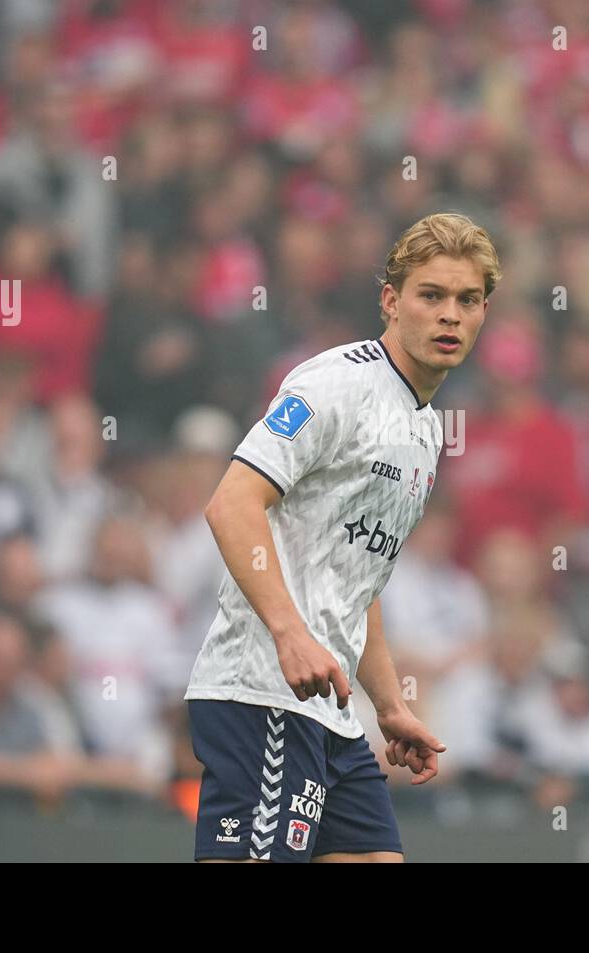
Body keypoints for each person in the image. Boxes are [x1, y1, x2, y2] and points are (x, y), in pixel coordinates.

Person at [185, 212, 500, 862]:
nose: (450, 315)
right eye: (431, 295)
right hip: (264, 694)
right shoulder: (337, 384)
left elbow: (360, 578)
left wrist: (388, 705)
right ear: (391, 301)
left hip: (332, 714)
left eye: (467, 300)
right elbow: (232, 503)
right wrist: (289, 632)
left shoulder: (426, 430)